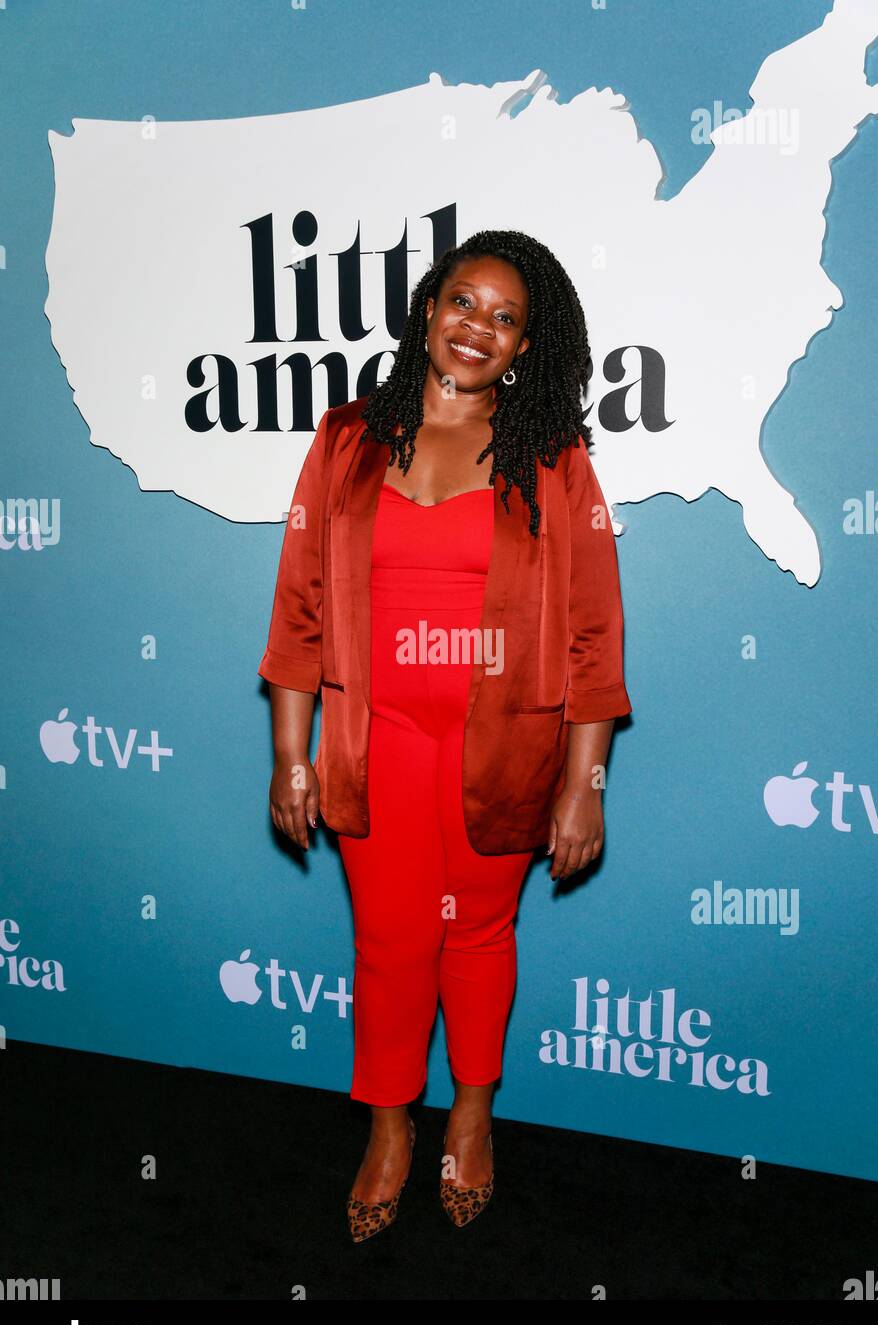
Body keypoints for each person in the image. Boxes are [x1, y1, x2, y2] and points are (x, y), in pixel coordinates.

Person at [258, 228, 633, 1242]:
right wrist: (290, 752)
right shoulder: (344, 438)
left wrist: (585, 780)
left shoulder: (550, 457)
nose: (478, 328)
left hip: (504, 743)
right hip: (373, 740)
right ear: (428, 309)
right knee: (385, 942)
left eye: (506, 318)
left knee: (474, 935)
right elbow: (299, 606)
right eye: (464, 302)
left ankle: (469, 1116)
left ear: (525, 348)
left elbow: (595, 632)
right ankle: (389, 1128)